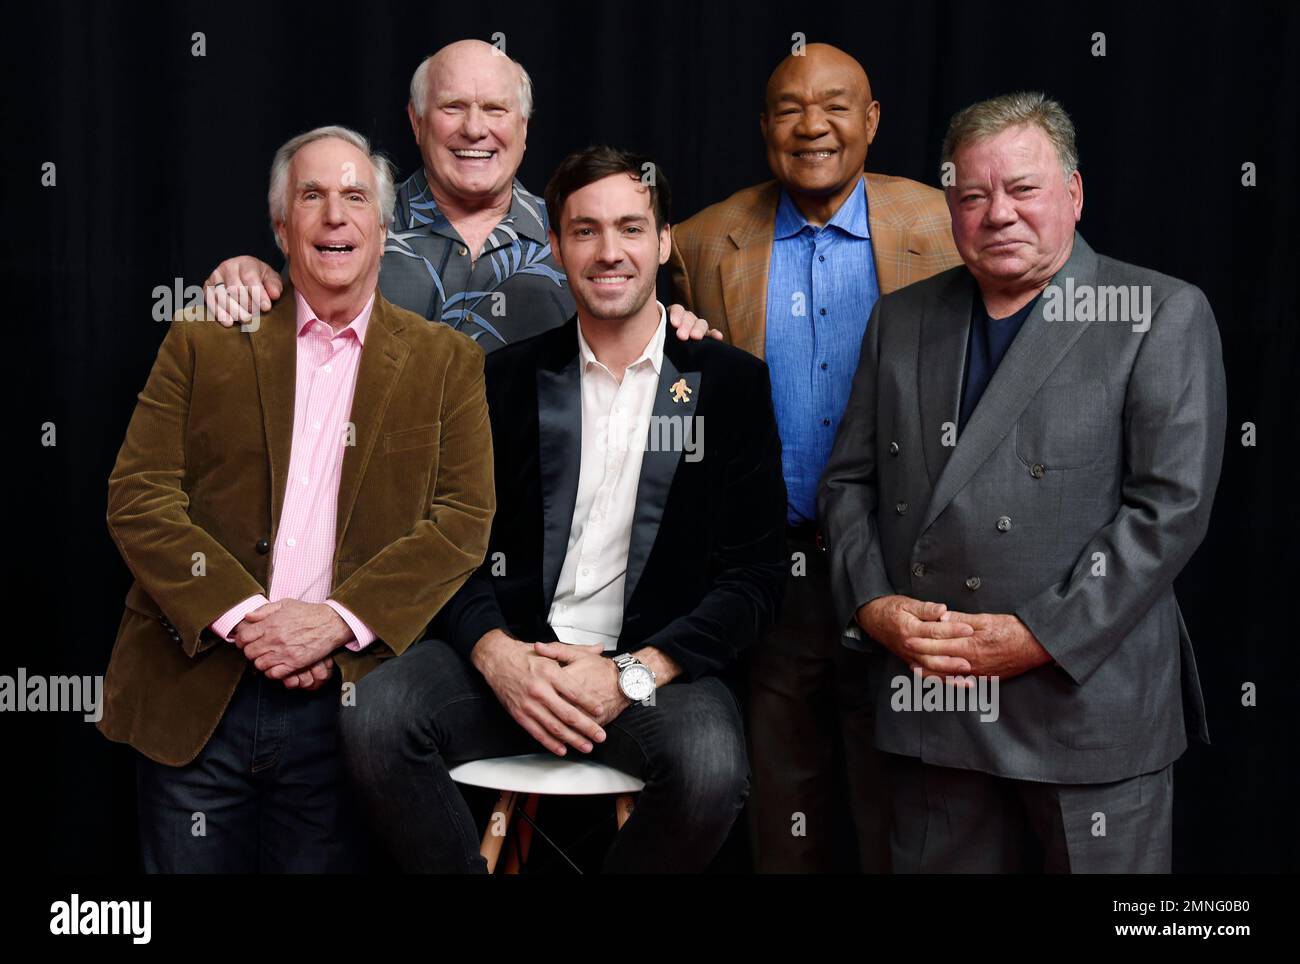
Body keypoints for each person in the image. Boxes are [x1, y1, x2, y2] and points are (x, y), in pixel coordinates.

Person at [338, 146, 788, 872]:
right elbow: (452, 545)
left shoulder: (728, 384)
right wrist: (497, 656)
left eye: (631, 229)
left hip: (652, 673)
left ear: (665, 241)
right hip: (517, 658)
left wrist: (631, 674)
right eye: (584, 231)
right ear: (554, 246)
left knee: (709, 767)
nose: (609, 252)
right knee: (377, 718)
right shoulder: (503, 379)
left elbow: (756, 579)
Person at [819, 92, 1227, 873]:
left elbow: (1168, 512)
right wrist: (872, 606)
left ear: (1073, 194)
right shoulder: (900, 321)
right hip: (934, 704)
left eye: (1023, 189)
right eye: (972, 195)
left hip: (1085, 711)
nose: (997, 213)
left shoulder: (1159, 313)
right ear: (951, 208)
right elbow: (847, 487)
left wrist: (1040, 636)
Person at [100, 125, 495, 872]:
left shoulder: (448, 364)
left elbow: (461, 524)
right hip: (196, 692)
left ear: (385, 229)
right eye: (311, 196)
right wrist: (249, 620)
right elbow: (138, 494)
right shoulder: (206, 336)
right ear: (283, 227)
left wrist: (332, 625)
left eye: (354, 196)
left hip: (342, 707)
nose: (335, 215)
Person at [668, 42, 961, 872]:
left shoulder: (942, 226)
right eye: (789, 108)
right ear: (765, 128)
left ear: (870, 122)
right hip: (774, 571)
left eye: (835, 105)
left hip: (905, 570)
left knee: (901, 807)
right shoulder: (701, 240)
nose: (812, 125)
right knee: (781, 810)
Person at [200, 39, 712, 346]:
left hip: (533, 514)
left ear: (524, 126)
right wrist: (249, 280)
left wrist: (674, 330)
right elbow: (283, 343)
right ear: (416, 121)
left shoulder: (575, 238)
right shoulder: (348, 231)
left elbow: (631, 340)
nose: (474, 129)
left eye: (494, 109)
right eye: (453, 108)